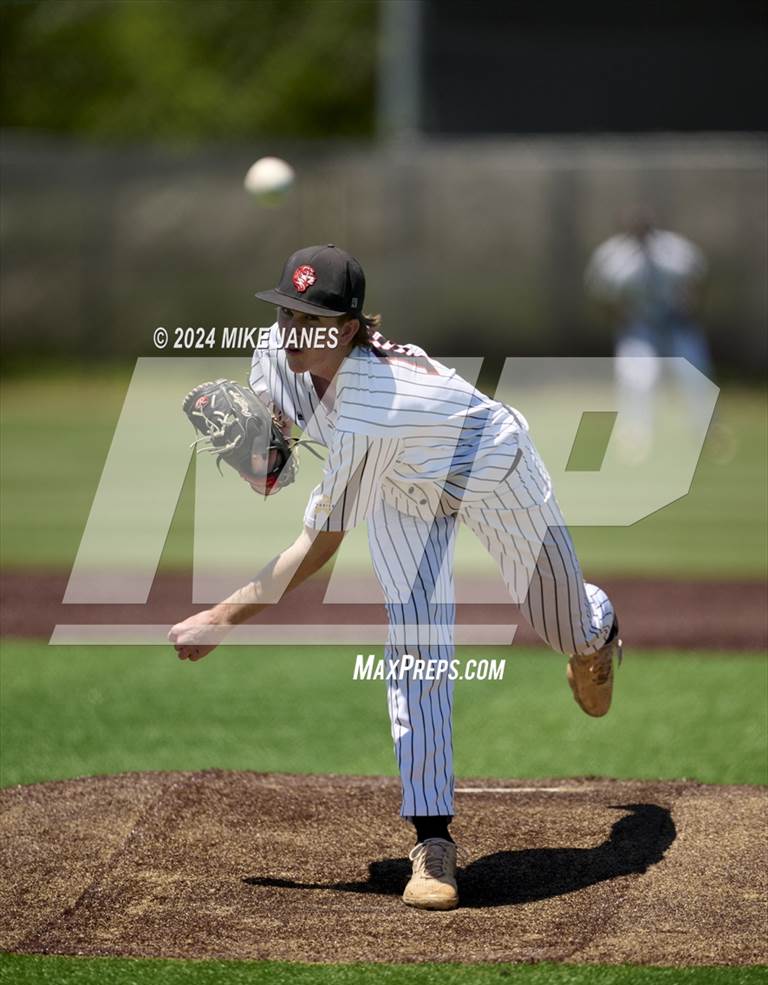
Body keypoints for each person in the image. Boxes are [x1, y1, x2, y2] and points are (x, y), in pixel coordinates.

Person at [169, 244, 622, 912]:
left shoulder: (374, 403)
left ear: (349, 327)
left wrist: (220, 617)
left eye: (312, 316)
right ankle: (432, 840)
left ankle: (597, 630)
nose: (295, 327)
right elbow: (276, 459)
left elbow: (317, 546)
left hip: (492, 472)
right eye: (287, 310)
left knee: (564, 629)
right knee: (417, 642)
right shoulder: (278, 350)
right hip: (402, 490)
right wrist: (255, 453)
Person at [585, 213, 711, 462]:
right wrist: (620, 318)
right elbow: (599, 292)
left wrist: (690, 308)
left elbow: (700, 277)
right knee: (638, 379)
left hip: (677, 323)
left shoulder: (675, 250)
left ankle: (706, 430)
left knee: (694, 375)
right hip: (639, 326)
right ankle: (635, 434)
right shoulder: (613, 256)